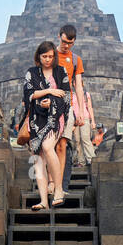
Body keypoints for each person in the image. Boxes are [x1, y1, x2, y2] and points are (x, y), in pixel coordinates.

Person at [22, 41, 70, 211]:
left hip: (55, 118)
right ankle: (43, 200)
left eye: (50, 56)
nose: (48, 59)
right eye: (44, 56)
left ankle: (58, 190)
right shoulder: (32, 72)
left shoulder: (60, 71)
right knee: (38, 159)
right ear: (38, 56)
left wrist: (52, 103)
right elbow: (29, 94)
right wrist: (49, 92)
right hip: (36, 119)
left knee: (48, 146)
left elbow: (66, 97)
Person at [55, 24, 85, 193]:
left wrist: (80, 110)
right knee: (48, 146)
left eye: (70, 43)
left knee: (63, 145)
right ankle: (52, 183)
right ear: (59, 36)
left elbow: (78, 86)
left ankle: (61, 185)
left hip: (67, 105)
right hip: (49, 104)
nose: (67, 45)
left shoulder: (75, 59)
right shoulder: (49, 55)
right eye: (65, 41)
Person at [74, 86, 97, 168]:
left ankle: (91, 159)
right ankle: (81, 161)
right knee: (77, 141)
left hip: (85, 118)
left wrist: (93, 121)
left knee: (85, 139)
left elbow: (90, 107)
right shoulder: (71, 94)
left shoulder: (85, 94)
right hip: (75, 120)